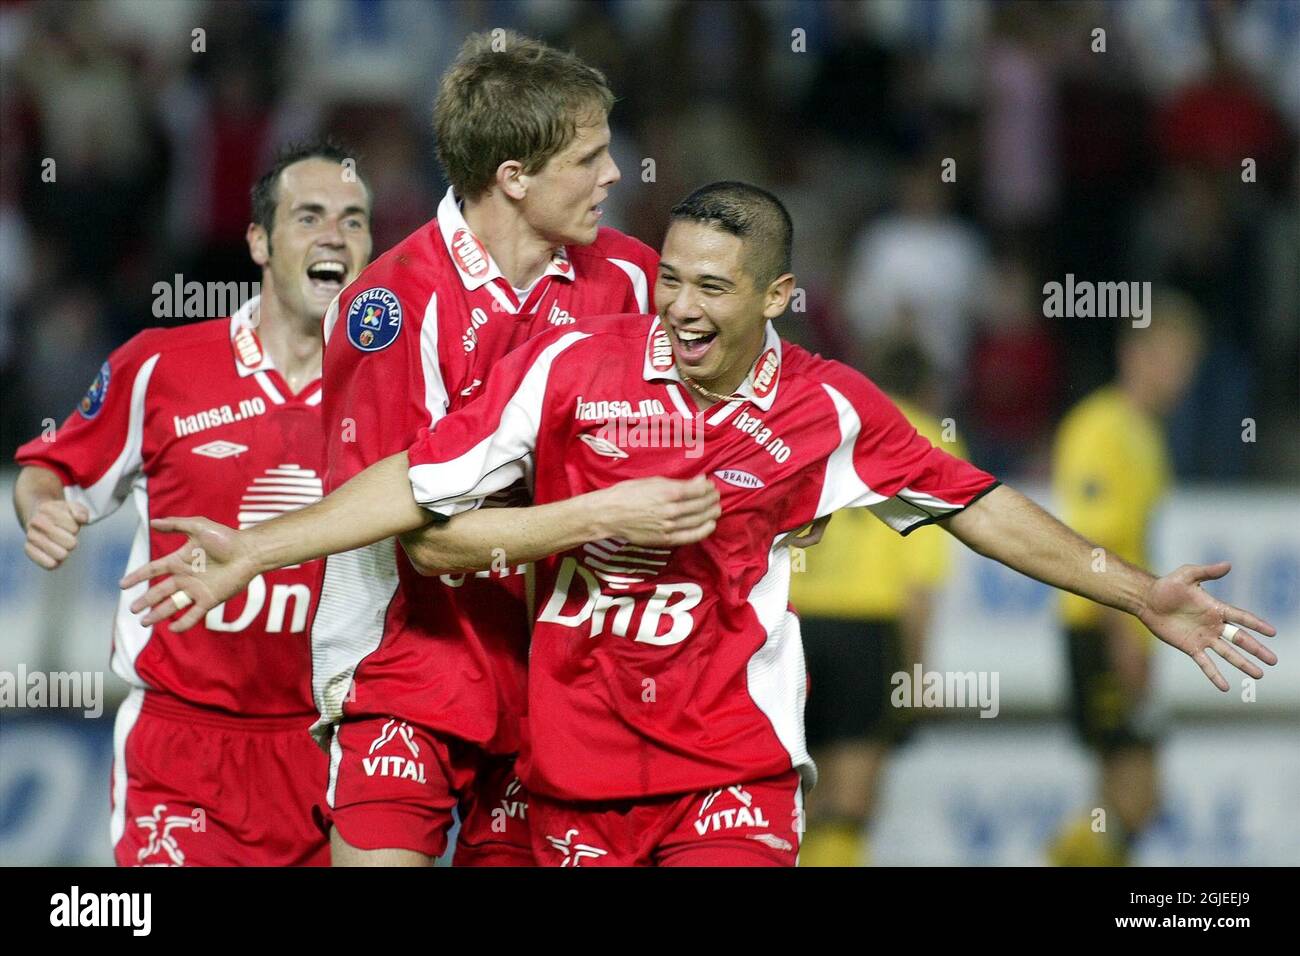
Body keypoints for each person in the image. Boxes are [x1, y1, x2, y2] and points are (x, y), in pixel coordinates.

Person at [122, 182, 1277, 868]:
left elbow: (976, 504)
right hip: (575, 776)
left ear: (775, 297)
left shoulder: (825, 405)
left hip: (731, 770)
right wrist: (261, 547)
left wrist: (1136, 592)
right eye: (669, 277)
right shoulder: (572, 366)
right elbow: (419, 485)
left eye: (712, 288)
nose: (676, 305)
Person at [307, 31, 660, 866]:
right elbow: (417, 536)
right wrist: (600, 508)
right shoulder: (388, 305)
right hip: (410, 663)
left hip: (564, 677)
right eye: (590, 158)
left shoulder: (637, 281)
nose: (615, 175)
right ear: (514, 177)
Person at [13, 141, 374, 865]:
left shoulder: (397, 385)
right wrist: (44, 506)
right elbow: (49, 469)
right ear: (259, 241)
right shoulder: (161, 366)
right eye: (309, 217)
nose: (336, 234)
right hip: (184, 754)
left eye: (355, 220)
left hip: (332, 749)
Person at [791, 339, 964, 867]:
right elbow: (919, 587)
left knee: (796, 793)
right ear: (930, 389)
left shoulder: (830, 423)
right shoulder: (929, 439)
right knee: (851, 802)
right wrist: (916, 674)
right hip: (865, 630)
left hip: (793, 624)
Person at [1048, 292, 1205, 866]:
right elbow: (1096, 551)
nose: (1182, 374)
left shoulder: (1144, 433)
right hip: (1100, 625)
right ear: (1135, 354)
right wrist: (1123, 638)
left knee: (1124, 800)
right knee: (1135, 797)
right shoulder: (1100, 428)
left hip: (1128, 629)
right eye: (1173, 356)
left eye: (1189, 360)